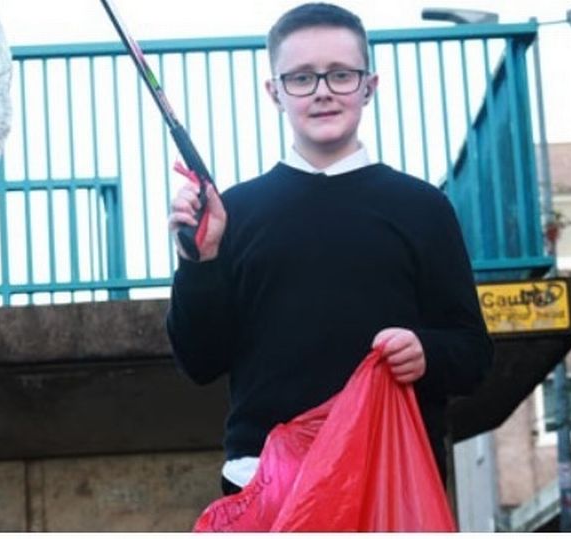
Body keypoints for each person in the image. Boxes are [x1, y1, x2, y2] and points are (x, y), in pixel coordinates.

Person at [166, 2, 493, 497]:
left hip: (391, 481)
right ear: (275, 92)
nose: (322, 92)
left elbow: (472, 353)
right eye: (301, 78)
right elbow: (200, 361)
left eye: (340, 74)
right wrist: (199, 263)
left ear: (370, 86)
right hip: (264, 483)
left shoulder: (423, 207)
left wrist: (427, 352)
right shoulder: (233, 214)